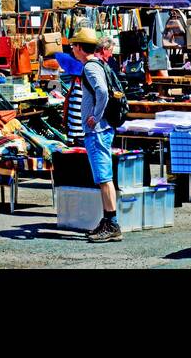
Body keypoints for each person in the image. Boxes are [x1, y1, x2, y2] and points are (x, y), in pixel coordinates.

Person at [70, 30, 123, 242]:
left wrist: (95, 116)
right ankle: (108, 219)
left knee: (104, 178)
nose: (72, 49)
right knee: (104, 176)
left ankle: (112, 223)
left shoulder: (91, 66)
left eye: (74, 45)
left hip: (98, 130)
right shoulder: (97, 64)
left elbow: (102, 92)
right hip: (101, 129)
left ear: (81, 47)